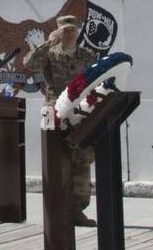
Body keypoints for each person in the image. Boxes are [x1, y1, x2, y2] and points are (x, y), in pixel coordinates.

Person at [24, 14, 98, 227]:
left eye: (73, 29)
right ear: (57, 31)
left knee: (82, 162)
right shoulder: (50, 54)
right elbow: (30, 63)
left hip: (80, 113)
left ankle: (77, 210)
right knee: (56, 161)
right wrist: (48, 43)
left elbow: (95, 81)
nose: (70, 33)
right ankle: (57, 209)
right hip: (55, 112)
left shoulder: (87, 55)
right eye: (65, 29)